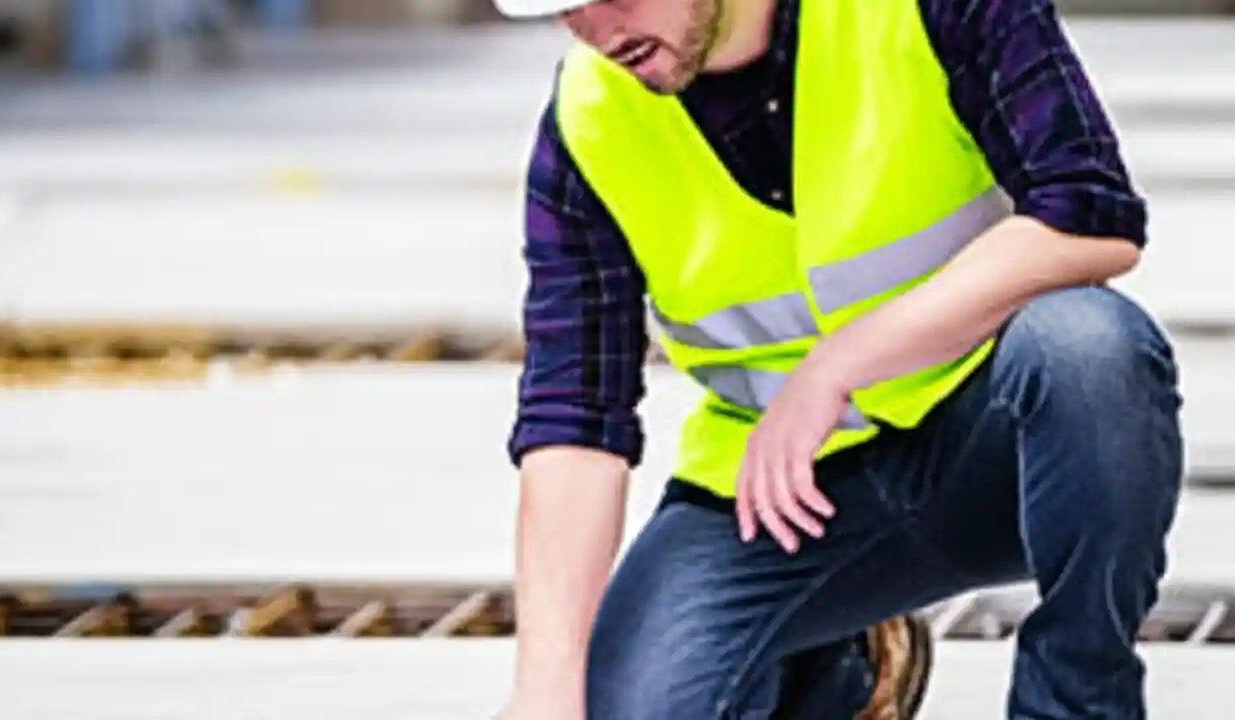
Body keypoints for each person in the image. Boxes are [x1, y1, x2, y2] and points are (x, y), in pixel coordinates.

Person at [495, 0, 1183, 717]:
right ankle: (836, 666)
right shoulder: (589, 119)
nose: (596, 28)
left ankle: (1075, 704)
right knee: (628, 707)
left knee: (1090, 348)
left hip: (1000, 448)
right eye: (562, 7)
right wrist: (543, 693)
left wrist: (840, 364)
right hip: (783, 495)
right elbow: (574, 415)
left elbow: (1091, 212)